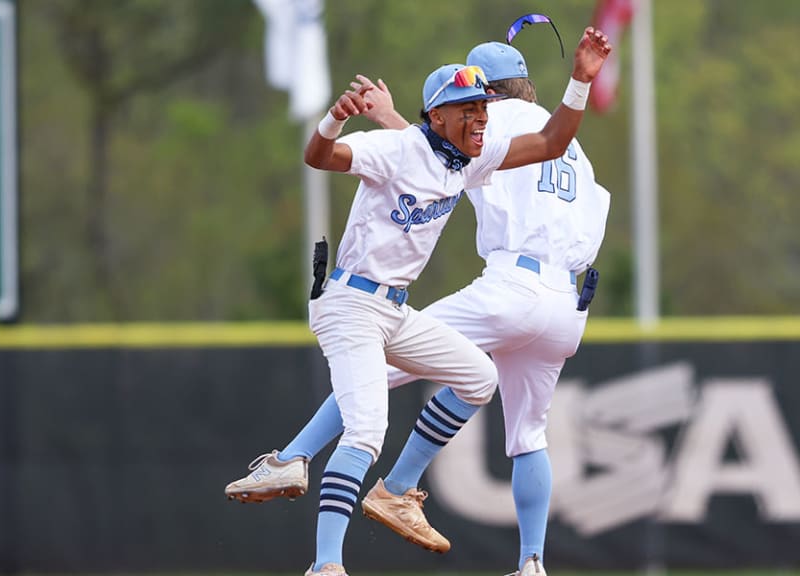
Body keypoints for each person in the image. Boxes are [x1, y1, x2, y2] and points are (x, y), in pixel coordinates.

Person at [226, 27, 611, 576]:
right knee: (524, 433)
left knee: (416, 380)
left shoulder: (482, 136)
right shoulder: (565, 146)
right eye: (468, 107)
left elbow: (437, 158)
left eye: (482, 103)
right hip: (562, 303)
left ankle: (303, 463)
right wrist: (578, 82)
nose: (480, 115)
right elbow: (409, 155)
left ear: (494, 97)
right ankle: (527, 561)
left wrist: (385, 113)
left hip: (493, 289)